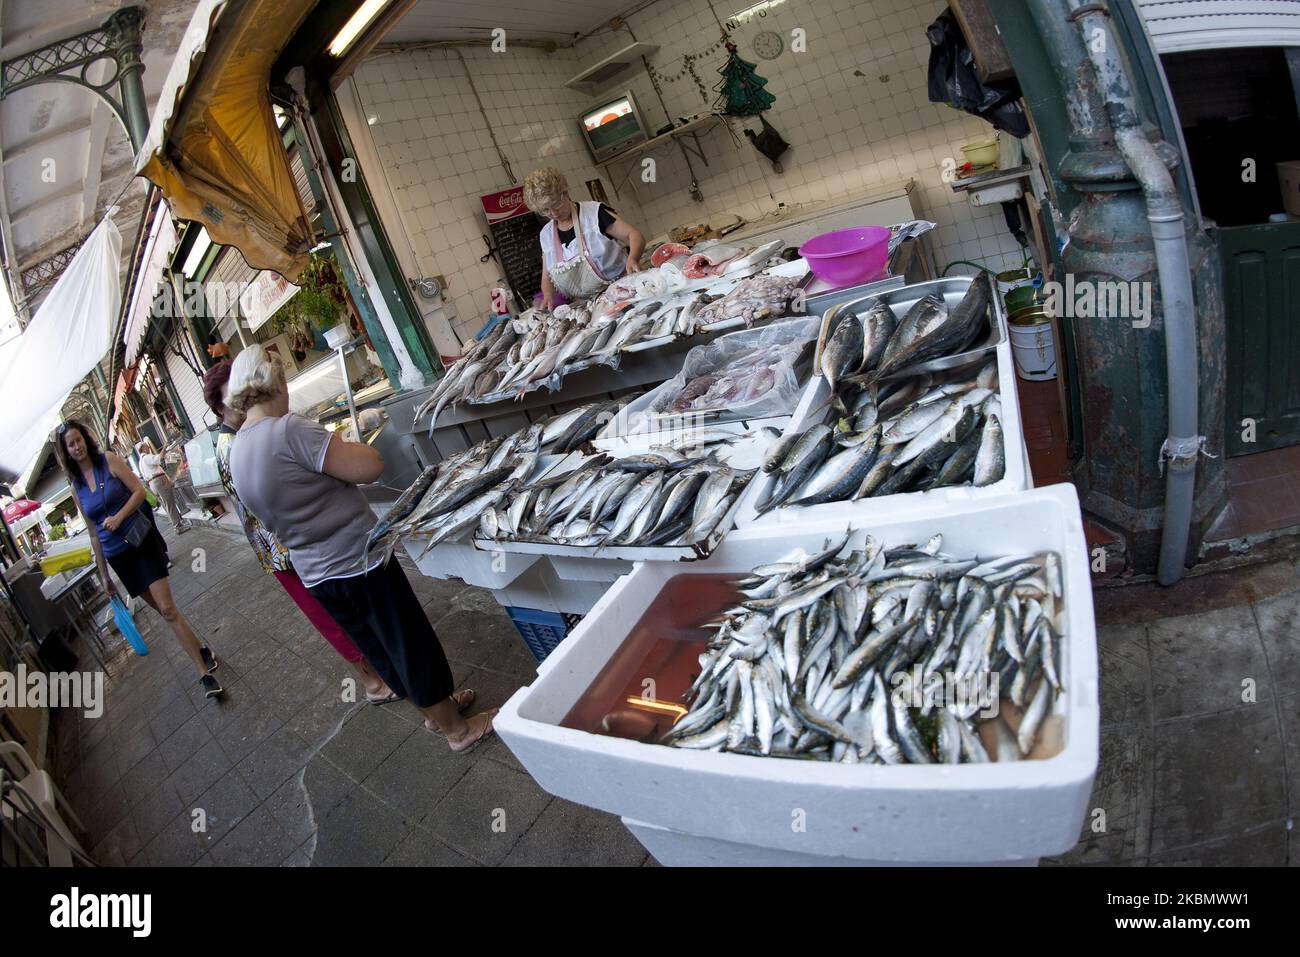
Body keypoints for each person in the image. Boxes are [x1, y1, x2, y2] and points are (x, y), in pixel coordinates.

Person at [224, 345, 495, 752]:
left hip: (316, 573)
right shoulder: (288, 430)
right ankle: (459, 730)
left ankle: (434, 714)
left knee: (382, 648)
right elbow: (370, 466)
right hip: (357, 561)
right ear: (274, 381)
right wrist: (343, 443)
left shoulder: (237, 449)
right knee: (408, 642)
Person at [201, 360, 398, 705]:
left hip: (294, 547)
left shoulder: (248, 435)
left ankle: (382, 678)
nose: (241, 399)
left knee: (341, 615)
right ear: (220, 407)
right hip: (286, 550)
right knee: (334, 620)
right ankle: (373, 683)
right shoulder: (235, 444)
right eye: (231, 396)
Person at [56, 420, 222, 698]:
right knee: (164, 612)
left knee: (168, 609)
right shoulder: (76, 488)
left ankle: (203, 674)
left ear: (85, 438)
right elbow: (93, 534)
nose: (76, 446)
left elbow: (138, 491)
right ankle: (201, 649)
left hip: (140, 543)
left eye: (78, 439)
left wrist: (119, 516)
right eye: (70, 444)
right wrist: (105, 576)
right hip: (118, 557)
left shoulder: (108, 460)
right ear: (66, 452)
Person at [522, 166, 645, 310]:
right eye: (545, 210)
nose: (553, 213)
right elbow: (546, 275)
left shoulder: (593, 213)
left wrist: (633, 258)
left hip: (625, 291)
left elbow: (634, 235)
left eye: (556, 204)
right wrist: (548, 295)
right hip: (590, 307)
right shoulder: (546, 235)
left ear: (565, 193)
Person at [136, 439, 191, 533]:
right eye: (147, 446)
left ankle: (178, 523)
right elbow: (160, 457)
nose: (149, 447)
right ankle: (178, 526)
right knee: (170, 503)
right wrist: (165, 446)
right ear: (143, 448)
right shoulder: (147, 458)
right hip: (158, 481)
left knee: (167, 505)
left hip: (152, 483)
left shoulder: (140, 461)